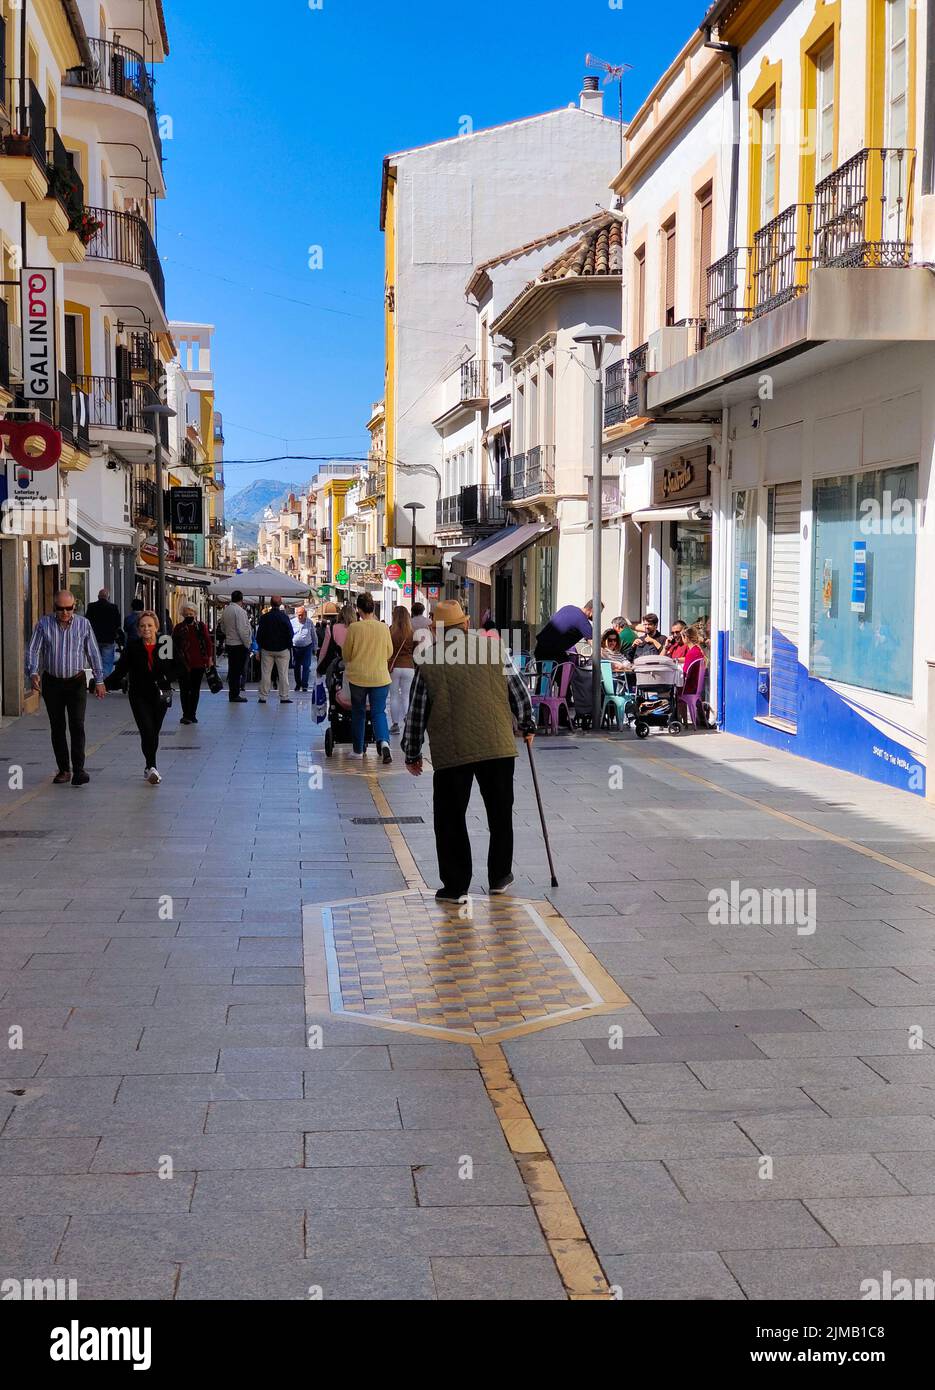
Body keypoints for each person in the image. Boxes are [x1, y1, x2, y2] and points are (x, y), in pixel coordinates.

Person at [402, 599, 536, 903]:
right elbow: (520, 694)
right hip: (498, 746)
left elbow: (416, 713)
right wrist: (528, 725)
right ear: (465, 625)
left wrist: (412, 753)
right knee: (500, 813)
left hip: (453, 752)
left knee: (450, 818)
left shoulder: (428, 660)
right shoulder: (494, 650)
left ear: (436, 629)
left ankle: (456, 886)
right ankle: (500, 876)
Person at [26, 591, 105, 786]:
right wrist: (33, 672)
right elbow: (33, 649)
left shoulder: (83, 624)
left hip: (76, 681)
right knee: (57, 726)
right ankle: (63, 769)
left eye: (68, 609)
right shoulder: (44, 624)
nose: (64, 612)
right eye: (60, 609)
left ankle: (79, 770)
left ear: (74, 607)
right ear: (55, 608)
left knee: (77, 725)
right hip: (52, 682)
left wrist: (99, 680)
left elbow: (93, 652)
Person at [105, 611, 178, 785]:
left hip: (161, 693)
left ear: (156, 627)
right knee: (147, 729)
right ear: (138, 629)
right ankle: (152, 766)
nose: (146, 629)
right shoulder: (134, 646)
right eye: (143, 626)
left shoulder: (164, 643)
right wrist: (102, 684)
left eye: (150, 625)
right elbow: (121, 670)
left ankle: (149, 767)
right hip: (139, 694)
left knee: (154, 730)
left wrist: (167, 678)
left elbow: (178, 667)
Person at [341, 592, 393, 762]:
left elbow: (346, 654)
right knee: (379, 712)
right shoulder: (383, 628)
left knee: (359, 712)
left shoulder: (354, 628)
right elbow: (389, 652)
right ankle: (384, 743)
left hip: (358, 677)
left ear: (359, 609)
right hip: (380, 676)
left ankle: (358, 750)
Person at [172, 605, 215, 725]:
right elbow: (174, 645)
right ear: (183, 615)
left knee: (195, 689)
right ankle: (186, 714)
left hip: (199, 663)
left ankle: (193, 714)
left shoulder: (201, 627)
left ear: (195, 614)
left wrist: (210, 659)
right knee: (184, 689)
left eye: (191, 614)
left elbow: (208, 642)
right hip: (183, 663)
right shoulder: (178, 628)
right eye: (186, 614)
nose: (189, 616)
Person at [256, 596, 294, 704]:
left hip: (267, 649)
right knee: (283, 674)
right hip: (282, 649)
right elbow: (290, 633)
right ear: (280, 603)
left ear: (270, 603)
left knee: (266, 674)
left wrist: (260, 647)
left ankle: (263, 697)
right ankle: (284, 696)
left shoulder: (264, 617)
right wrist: (287, 645)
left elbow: (259, 635)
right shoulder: (284, 617)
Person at [217, 590, 251, 703]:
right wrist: (247, 644)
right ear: (241, 600)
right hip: (239, 645)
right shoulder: (240, 611)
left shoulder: (226, 610)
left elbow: (222, 627)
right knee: (237, 671)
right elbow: (242, 630)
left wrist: (228, 635)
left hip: (230, 643)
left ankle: (232, 693)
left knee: (232, 670)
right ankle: (235, 694)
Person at [387, 605, 417, 733]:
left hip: (394, 666)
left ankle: (395, 725)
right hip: (409, 666)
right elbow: (416, 648)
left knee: (394, 696)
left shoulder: (390, 631)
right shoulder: (412, 632)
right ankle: (408, 721)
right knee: (406, 696)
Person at [85, 588, 122, 679]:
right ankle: (103, 681)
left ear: (98, 597)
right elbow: (118, 623)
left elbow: (86, 622)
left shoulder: (91, 606)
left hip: (94, 639)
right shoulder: (113, 607)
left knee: (95, 661)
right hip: (108, 639)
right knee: (107, 663)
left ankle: (98, 680)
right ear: (108, 597)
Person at [291, 605, 318, 692]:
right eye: (299, 615)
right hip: (295, 647)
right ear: (296, 614)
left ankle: (305, 685)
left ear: (305, 614)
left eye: (302, 615)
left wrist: (315, 647)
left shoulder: (309, 622)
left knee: (306, 666)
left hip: (307, 647)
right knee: (296, 666)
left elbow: (314, 635)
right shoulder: (292, 622)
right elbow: (289, 634)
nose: (300, 617)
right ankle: (298, 684)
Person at [316, 601, 343, 678]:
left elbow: (324, 649)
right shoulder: (354, 628)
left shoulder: (331, 629)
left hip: (336, 662)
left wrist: (319, 666)